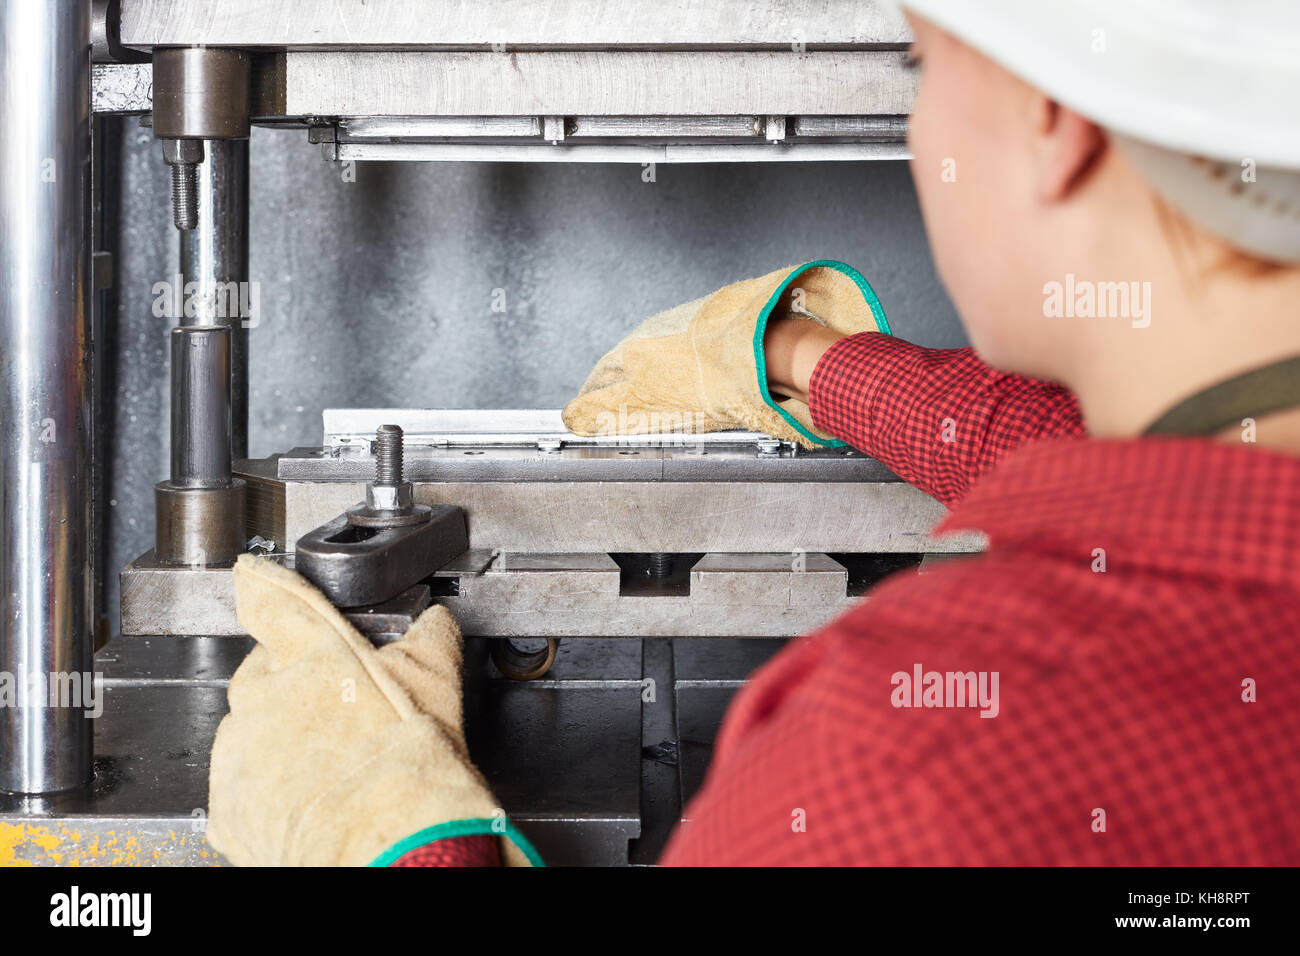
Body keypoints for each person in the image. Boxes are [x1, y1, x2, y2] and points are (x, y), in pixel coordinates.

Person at [205, 0, 1300, 866]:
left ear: (1047, 120)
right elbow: (1127, 467)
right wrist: (801, 364)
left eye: (925, 72)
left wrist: (396, 846)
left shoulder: (914, 770)